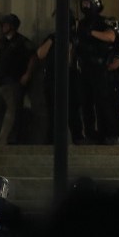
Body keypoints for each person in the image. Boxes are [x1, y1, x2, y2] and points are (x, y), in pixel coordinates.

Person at [74, 0, 119, 145]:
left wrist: (90, 32)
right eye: (83, 3)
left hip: (102, 70)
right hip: (85, 69)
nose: (85, 6)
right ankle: (91, 136)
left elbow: (111, 37)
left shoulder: (106, 22)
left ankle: (113, 136)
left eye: (88, 3)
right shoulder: (81, 24)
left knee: (105, 104)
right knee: (86, 104)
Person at [0, 13, 36, 145]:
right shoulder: (2, 41)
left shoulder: (21, 41)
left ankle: (7, 141)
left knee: (12, 115)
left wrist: (27, 74)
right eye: (3, 24)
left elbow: (33, 56)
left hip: (13, 83)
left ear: (13, 26)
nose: (3, 27)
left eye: (6, 24)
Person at [36, 15, 84, 144]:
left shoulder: (75, 38)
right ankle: (52, 141)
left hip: (71, 79)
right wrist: (52, 39)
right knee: (53, 113)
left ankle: (77, 139)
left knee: (72, 112)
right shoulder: (53, 37)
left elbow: (70, 59)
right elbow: (40, 54)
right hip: (52, 80)